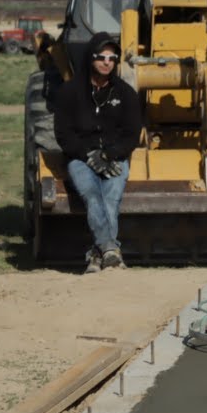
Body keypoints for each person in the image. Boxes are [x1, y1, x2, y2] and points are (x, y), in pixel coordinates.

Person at [54, 33, 142, 273]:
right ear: (90, 58)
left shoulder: (126, 94)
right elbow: (63, 134)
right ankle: (111, 251)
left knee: (111, 200)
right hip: (80, 159)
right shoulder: (69, 92)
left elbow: (132, 134)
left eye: (112, 58)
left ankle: (97, 254)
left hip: (115, 158)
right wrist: (88, 154)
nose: (106, 62)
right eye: (101, 57)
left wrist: (109, 155)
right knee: (92, 196)